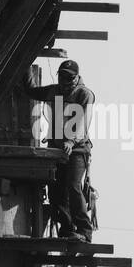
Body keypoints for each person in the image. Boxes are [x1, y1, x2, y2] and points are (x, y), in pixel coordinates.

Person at [24, 59, 95, 241]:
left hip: (77, 150)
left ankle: (85, 231)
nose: (64, 83)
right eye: (62, 77)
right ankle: (68, 229)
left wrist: (71, 141)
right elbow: (31, 90)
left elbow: (82, 122)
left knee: (73, 186)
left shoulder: (84, 94)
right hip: (57, 151)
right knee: (56, 191)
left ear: (76, 78)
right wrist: (24, 65)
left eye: (68, 79)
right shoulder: (54, 91)